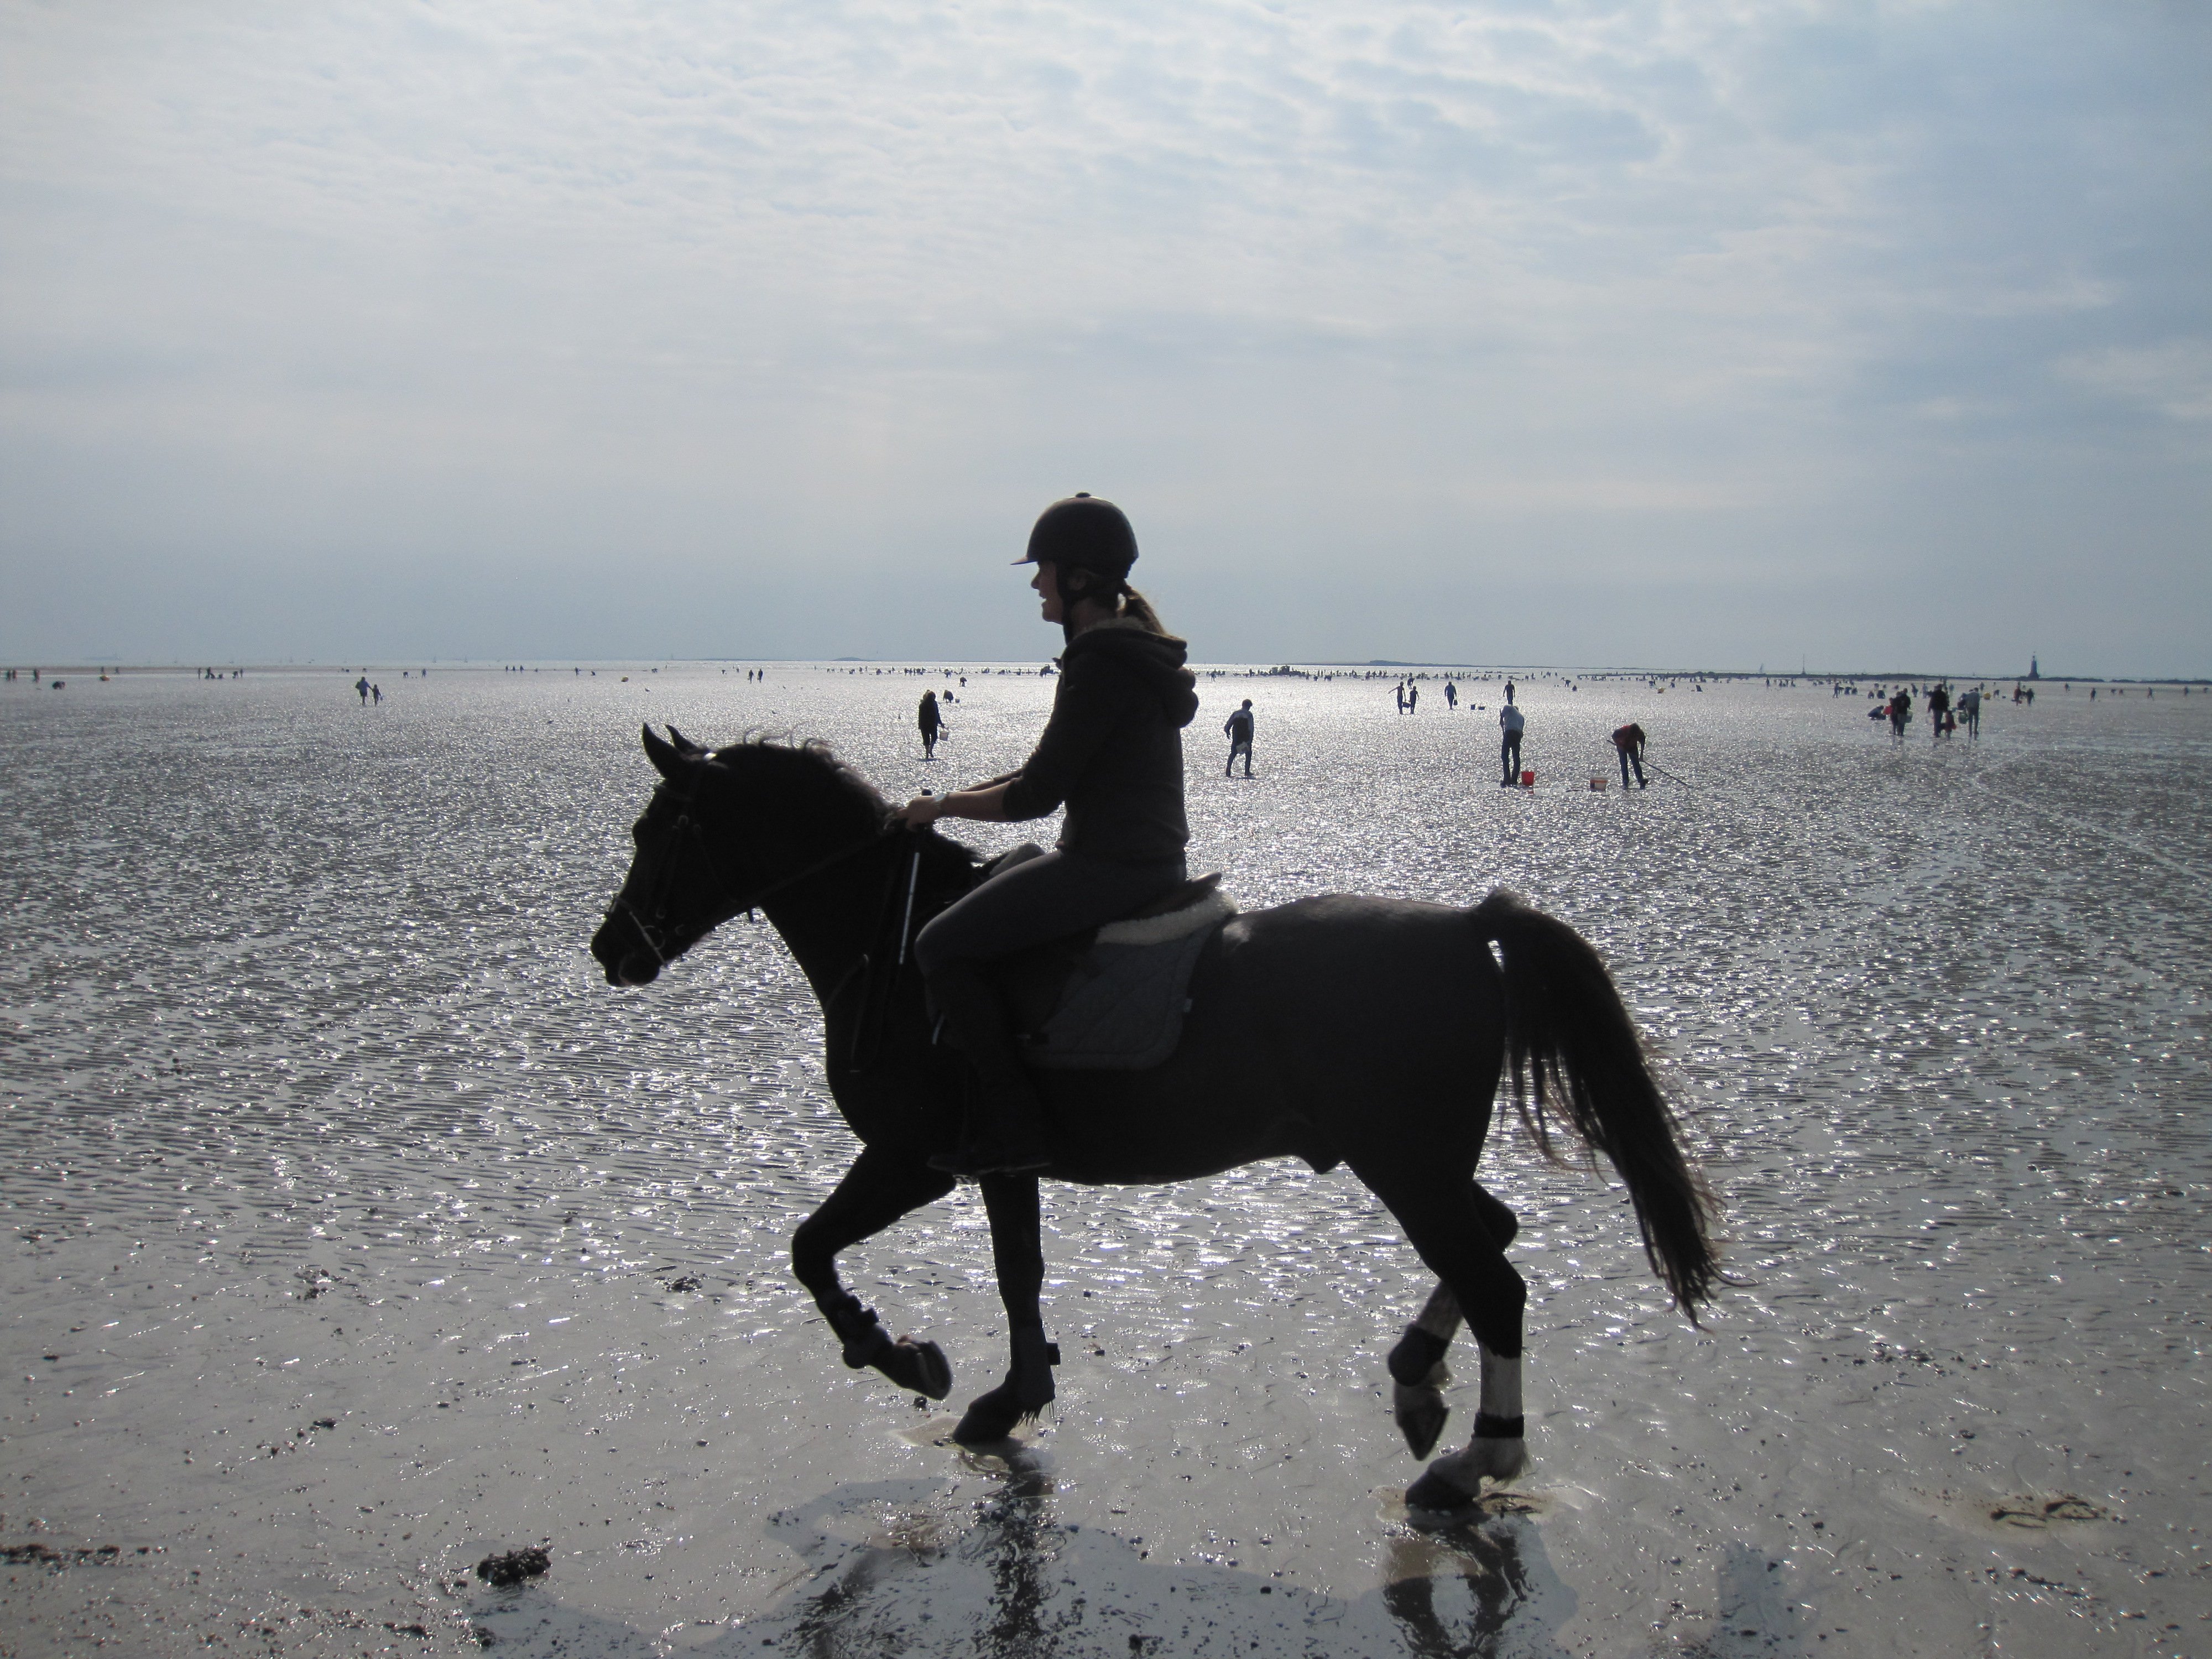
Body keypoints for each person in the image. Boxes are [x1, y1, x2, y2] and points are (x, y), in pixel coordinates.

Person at [896, 494, 1198, 1177]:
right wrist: (947, 800)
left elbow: (1036, 796)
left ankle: (1017, 1128)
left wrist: (942, 807)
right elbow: (1051, 770)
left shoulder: (1098, 661)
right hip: (1152, 863)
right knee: (1004, 873)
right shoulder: (1127, 652)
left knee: (938, 944)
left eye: (1045, 571)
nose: (1036, 583)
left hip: (1110, 868)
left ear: (1081, 579)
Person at [1224, 699, 1255, 776]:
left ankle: (1228, 770)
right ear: (1249, 706)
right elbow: (1251, 727)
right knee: (1248, 753)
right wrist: (1250, 739)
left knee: (1233, 753)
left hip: (1237, 736)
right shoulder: (1249, 714)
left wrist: (1227, 731)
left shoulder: (1236, 713)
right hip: (1245, 737)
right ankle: (1247, 771)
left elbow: (1229, 723)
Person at [1611, 722, 1647, 789]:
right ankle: (1625, 781)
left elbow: (1643, 742)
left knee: (1636, 763)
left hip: (1632, 747)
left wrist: (1641, 755)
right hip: (1622, 746)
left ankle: (1640, 779)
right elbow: (1614, 736)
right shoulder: (1622, 731)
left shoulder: (1640, 734)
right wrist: (1619, 745)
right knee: (1624, 763)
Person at [1499, 699, 1525, 786]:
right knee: (1516, 758)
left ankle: (1507, 779)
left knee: (1505, 756)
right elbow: (1521, 733)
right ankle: (1514, 780)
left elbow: (1507, 708)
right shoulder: (1521, 718)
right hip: (1517, 736)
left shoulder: (1511, 709)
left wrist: (1501, 718)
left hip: (1510, 733)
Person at [917, 690, 945, 759]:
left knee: (926, 740)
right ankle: (930, 750)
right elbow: (937, 714)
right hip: (932, 724)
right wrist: (940, 723)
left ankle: (927, 755)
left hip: (924, 724)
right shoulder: (934, 704)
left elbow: (920, 716)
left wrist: (920, 725)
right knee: (934, 737)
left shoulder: (922, 705)